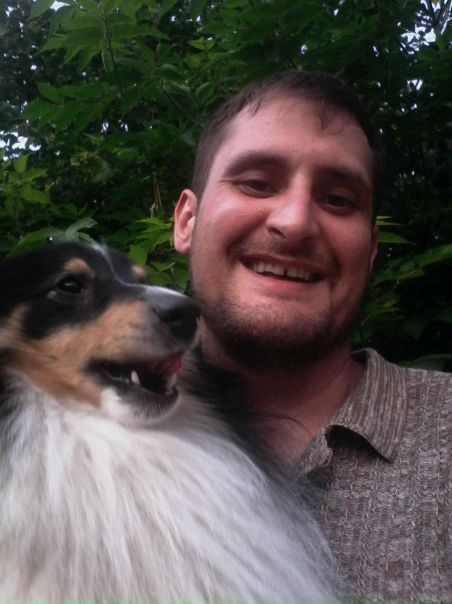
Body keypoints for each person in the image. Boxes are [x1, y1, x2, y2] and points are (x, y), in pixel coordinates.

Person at [173, 70, 451, 604]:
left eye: (339, 199)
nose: (296, 221)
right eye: (257, 183)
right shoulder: (69, 433)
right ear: (187, 220)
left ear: (371, 251)